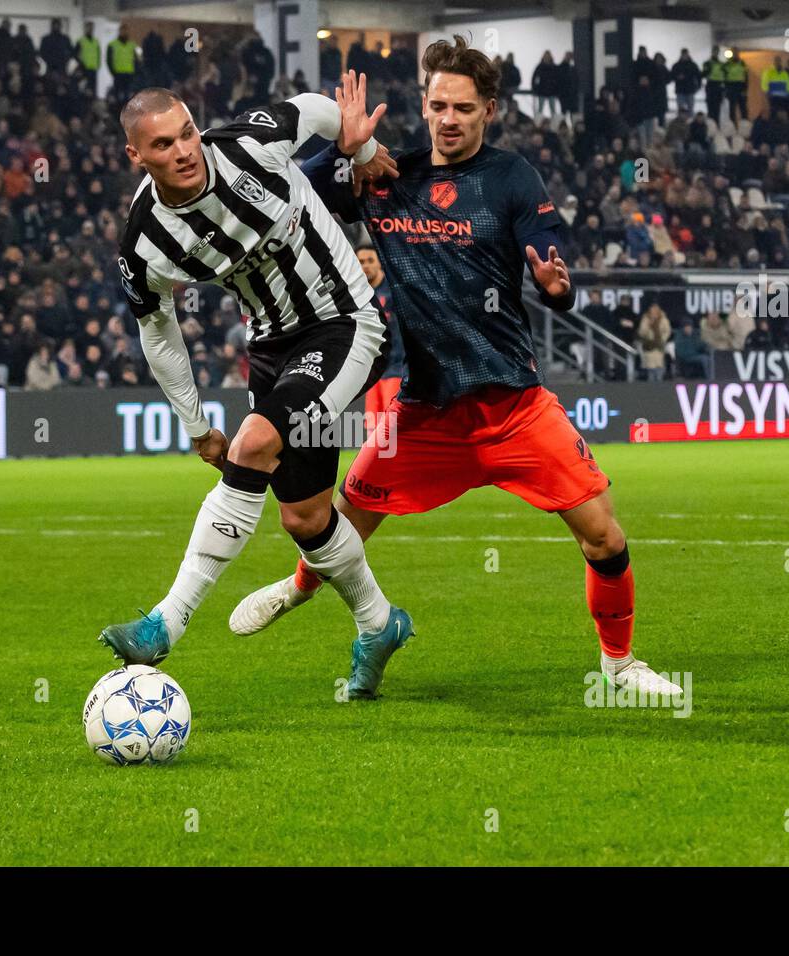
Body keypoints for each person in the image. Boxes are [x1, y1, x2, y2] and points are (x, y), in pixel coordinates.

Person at [232, 37, 682, 700]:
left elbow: (550, 258)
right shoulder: (386, 174)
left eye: (464, 108)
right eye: (439, 104)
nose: (449, 117)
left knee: (604, 536)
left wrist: (557, 284)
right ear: (425, 104)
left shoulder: (512, 177)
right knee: (337, 526)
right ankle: (301, 591)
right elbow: (300, 197)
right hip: (424, 414)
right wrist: (343, 147)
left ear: (489, 110)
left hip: (513, 408)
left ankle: (619, 665)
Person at [100, 76, 412, 699]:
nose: (184, 150)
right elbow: (159, 335)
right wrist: (194, 427)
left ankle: (166, 622)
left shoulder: (247, 144)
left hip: (347, 323)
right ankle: (380, 624)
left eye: (187, 132)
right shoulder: (142, 242)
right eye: (163, 145)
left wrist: (358, 147)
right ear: (136, 156)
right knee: (305, 518)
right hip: (270, 347)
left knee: (254, 444)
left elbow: (315, 110)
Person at [355, 244, 404, 430]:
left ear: (379, 263)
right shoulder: (361, 294)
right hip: (374, 373)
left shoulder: (394, 289)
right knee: (373, 428)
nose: (365, 265)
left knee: (393, 427)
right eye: (361, 262)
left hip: (397, 371)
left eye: (370, 260)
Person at [703, 46, 726, 124]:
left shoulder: (721, 64)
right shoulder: (707, 63)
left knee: (717, 109)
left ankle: (716, 125)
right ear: (712, 52)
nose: (716, 53)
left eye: (717, 51)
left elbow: (725, 75)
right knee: (710, 109)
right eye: (714, 51)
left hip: (719, 87)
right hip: (710, 86)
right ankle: (710, 126)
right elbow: (703, 74)